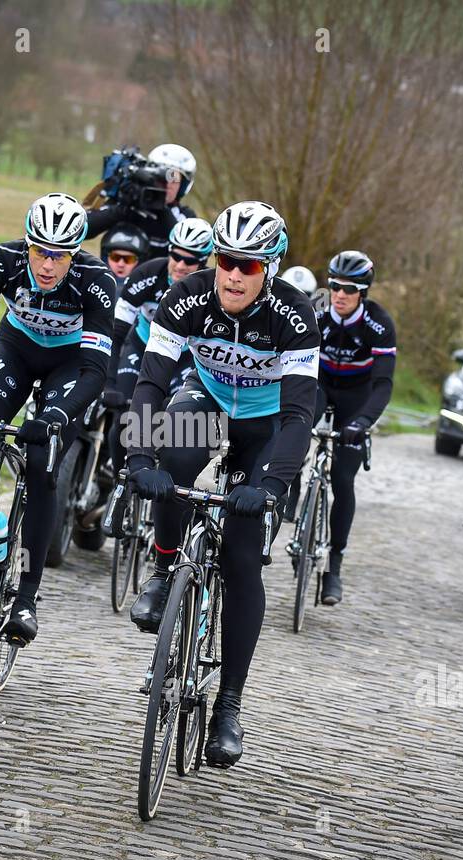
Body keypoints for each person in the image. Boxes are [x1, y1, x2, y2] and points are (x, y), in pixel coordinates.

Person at [125, 200, 319, 768]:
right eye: (227, 259)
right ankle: (164, 571)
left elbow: (299, 416)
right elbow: (150, 382)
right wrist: (140, 457)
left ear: (272, 268)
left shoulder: (295, 315)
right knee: (176, 461)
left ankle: (228, 704)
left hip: (266, 421)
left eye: (250, 265)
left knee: (240, 557)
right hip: (207, 399)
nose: (234, 274)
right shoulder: (185, 297)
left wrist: (275, 488)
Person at [0, 193, 116, 646]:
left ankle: (27, 596)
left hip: (69, 364)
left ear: (75, 253)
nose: (48, 265)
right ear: (28, 243)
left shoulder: (97, 281)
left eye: (60, 255)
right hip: (15, 350)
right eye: (40, 250)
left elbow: (96, 371)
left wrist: (56, 414)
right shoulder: (3, 261)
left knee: (41, 464)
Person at [307, 250, 397, 605]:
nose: (339, 295)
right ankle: (290, 494)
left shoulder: (378, 324)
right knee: (296, 427)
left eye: (349, 289)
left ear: (363, 292)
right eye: (334, 287)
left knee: (344, 478)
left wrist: (363, 421)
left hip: (357, 396)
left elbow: (383, 385)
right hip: (320, 383)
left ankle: (334, 567)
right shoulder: (315, 312)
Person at [100, 217, 215, 479]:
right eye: (176, 255)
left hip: (184, 359)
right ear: (169, 250)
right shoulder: (146, 274)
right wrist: (109, 381)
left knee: (176, 423)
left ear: (205, 261)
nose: (182, 265)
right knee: (126, 419)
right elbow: (116, 332)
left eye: (191, 260)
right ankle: (124, 481)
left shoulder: (210, 289)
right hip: (140, 348)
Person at [86, 143, 197, 261]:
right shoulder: (127, 202)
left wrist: (161, 209)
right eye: (161, 177)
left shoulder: (184, 216)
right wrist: (122, 208)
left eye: (173, 177)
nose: (167, 184)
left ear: (183, 186)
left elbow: (189, 249)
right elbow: (84, 230)